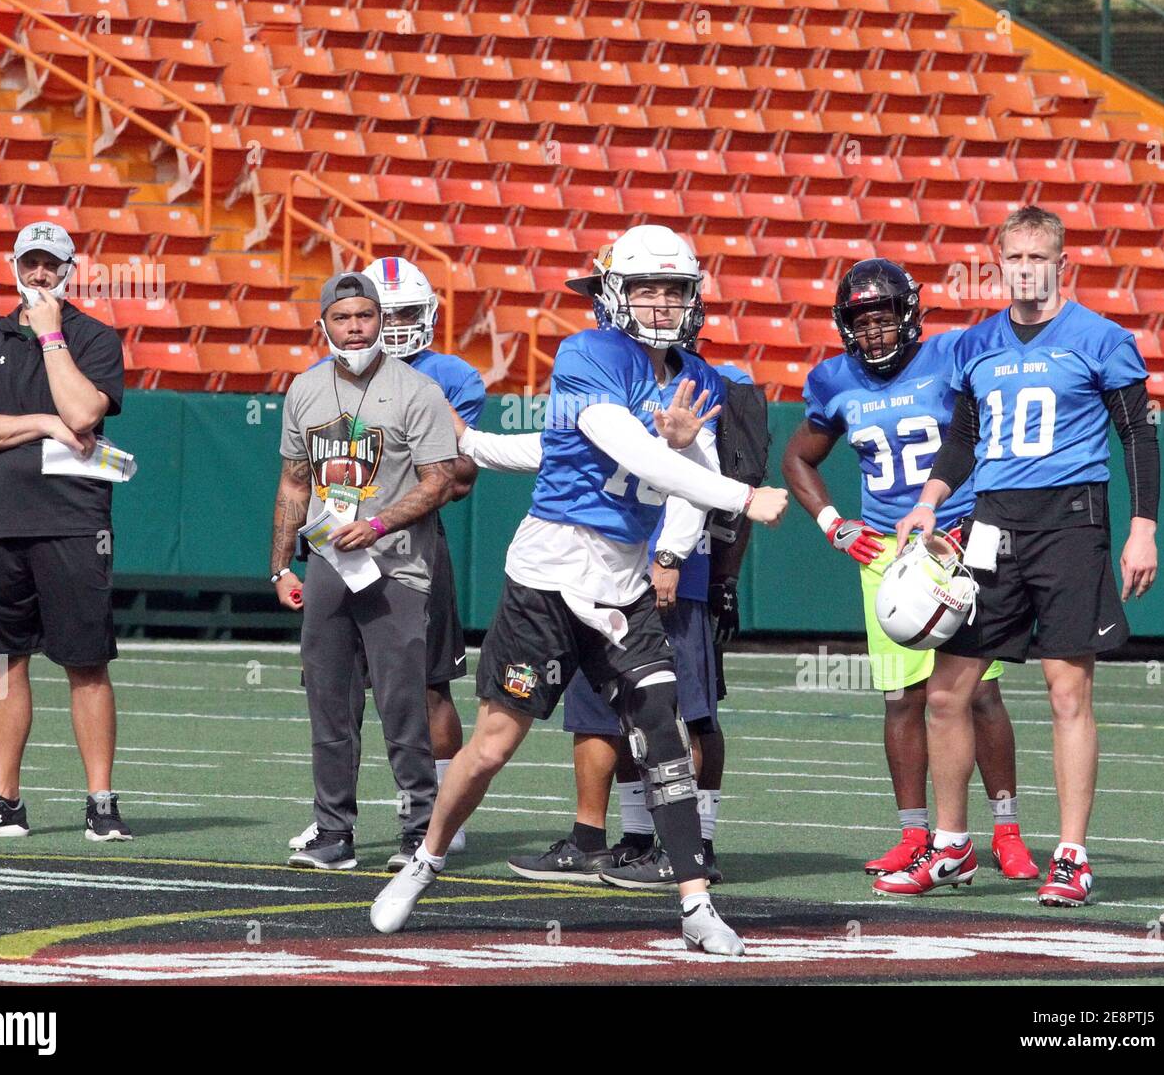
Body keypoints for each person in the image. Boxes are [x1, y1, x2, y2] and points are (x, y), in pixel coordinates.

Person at [369, 224, 789, 956]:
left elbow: (680, 477)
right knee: (497, 743)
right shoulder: (586, 353)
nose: (661, 303)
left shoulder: (693, 375)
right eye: (647, 288)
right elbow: (625, 448)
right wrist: (737, 493)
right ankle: (425, 859)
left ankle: (695, 904)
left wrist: (677, 528)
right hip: (550, 578)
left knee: (662, 729)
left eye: (673, 289)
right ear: (614, 295)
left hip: (625, 582)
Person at [887, 206, 1159, 904]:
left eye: (1039, 258)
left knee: (1066, 691)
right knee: (948, 691)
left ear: (1060, 263)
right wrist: (928, 499)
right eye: (1015, 258)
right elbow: (963, 437)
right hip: (992, 524)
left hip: (1070, 523)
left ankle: (1071, 855)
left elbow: (1138, 435)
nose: (1026, 269)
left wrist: (1143, 527)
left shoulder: (1102, 339)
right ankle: (951, 846)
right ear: (999, 261)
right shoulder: (977, 345)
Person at [781, 259, 1037, 880]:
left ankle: (1006, 829)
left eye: (884, 316)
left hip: (959, 542)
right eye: (861, 321)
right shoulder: (833, 380)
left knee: (980, 692)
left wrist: (986, 508)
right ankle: (915, 834)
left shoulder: (949, 358)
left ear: (909, 315)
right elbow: (796, 458)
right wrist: (835, 526)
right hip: (890, 556)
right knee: (902, 699)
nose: (873, 331)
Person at [488, 355, 757, 889]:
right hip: (603, 569)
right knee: (598, 712)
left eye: (668, 292)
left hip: (670, 565)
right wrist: (471, 442)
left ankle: (691, 846)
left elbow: (723, 480)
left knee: (684, 711)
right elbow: (551, 449)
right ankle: (611, 840)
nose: (654, 308)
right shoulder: (603, 370)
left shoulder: (712, 381)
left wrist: (685, 562)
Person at [0, 221, 129, 842]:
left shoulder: (93, 338)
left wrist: (50, 338)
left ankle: (100, 801)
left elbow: (84, 411)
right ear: (14, 265)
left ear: (69, 269)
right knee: (0, 661)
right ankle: (3, 800)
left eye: (50, 264)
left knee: (86, 662)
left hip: (73, 522)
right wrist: (44, 422)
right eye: (30, 262)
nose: (39, 274)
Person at [288, 256, 483, 859]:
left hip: (408, 548)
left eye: (393, 314)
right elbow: (299, 476)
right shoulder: (316, 381)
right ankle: (335, 825)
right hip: (334, 548)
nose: (380, 325)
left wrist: (380, 520)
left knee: (423, 687)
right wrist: (285, 560)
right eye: (361, 313)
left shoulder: (441, 379)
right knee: (332, 691)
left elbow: (461, 474)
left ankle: (434, 819)